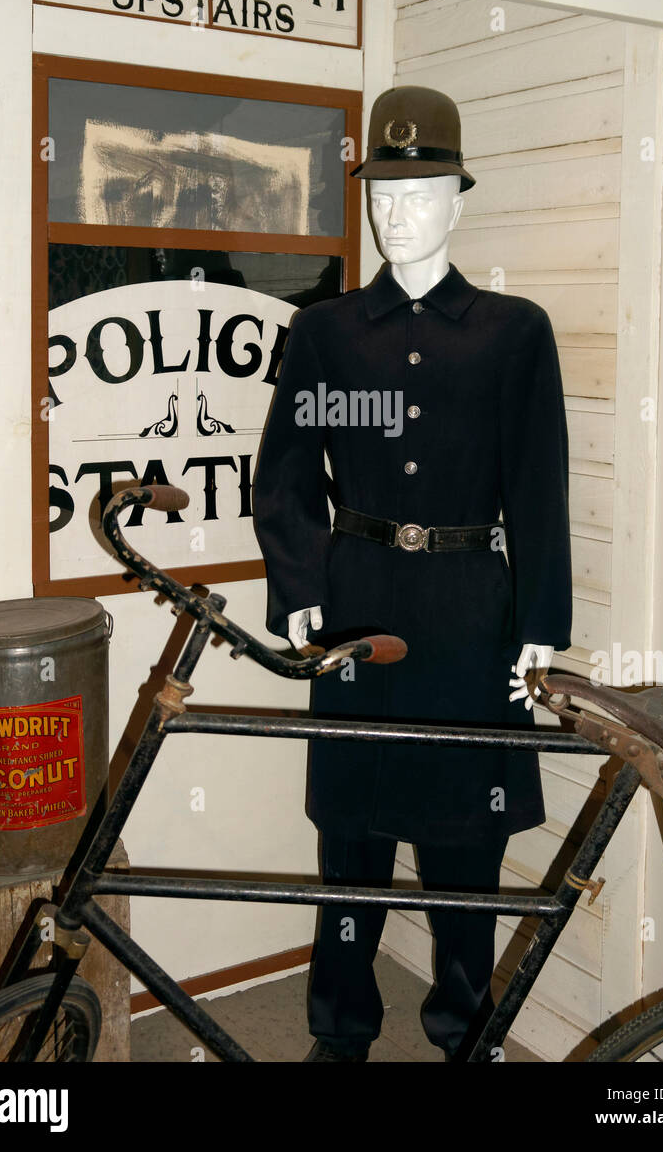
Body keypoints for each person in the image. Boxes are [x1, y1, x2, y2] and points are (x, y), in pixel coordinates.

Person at [253, 85, 572, 1062]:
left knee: (463, 848)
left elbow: (538, 488)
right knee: (348, 840)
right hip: (353, 603)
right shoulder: (324, 333)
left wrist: (540, 622)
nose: (395, 212)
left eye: (418, 190)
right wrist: (302, 588)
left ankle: (462, 1031)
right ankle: (339, 1028)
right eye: (380, 194)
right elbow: (283, 476)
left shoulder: (512, 333)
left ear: (456, 199)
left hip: (471, 615)